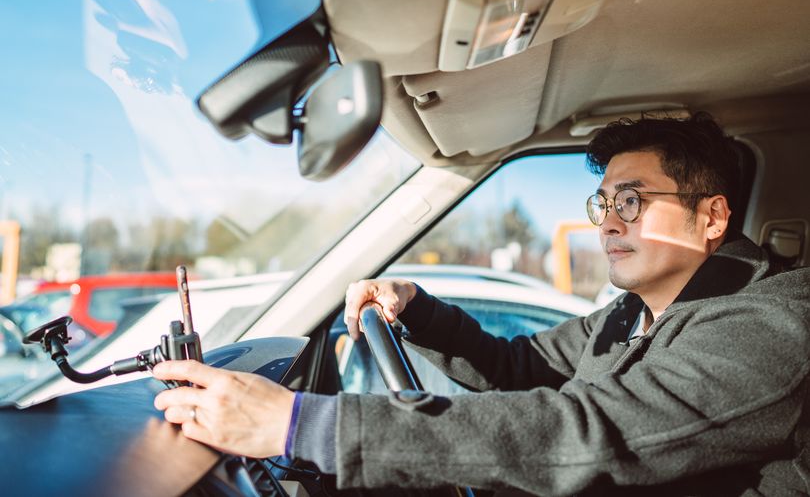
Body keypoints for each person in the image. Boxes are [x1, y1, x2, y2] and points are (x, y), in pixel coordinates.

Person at [153, 113, 810, 495]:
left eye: (631, 201)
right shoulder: (631, 313)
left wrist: (304, 424)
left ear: (712, 216)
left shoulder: (769, 324)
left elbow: (584, 431)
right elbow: (520, 366)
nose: (607, 223)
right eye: (603, 203)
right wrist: (417, 309)